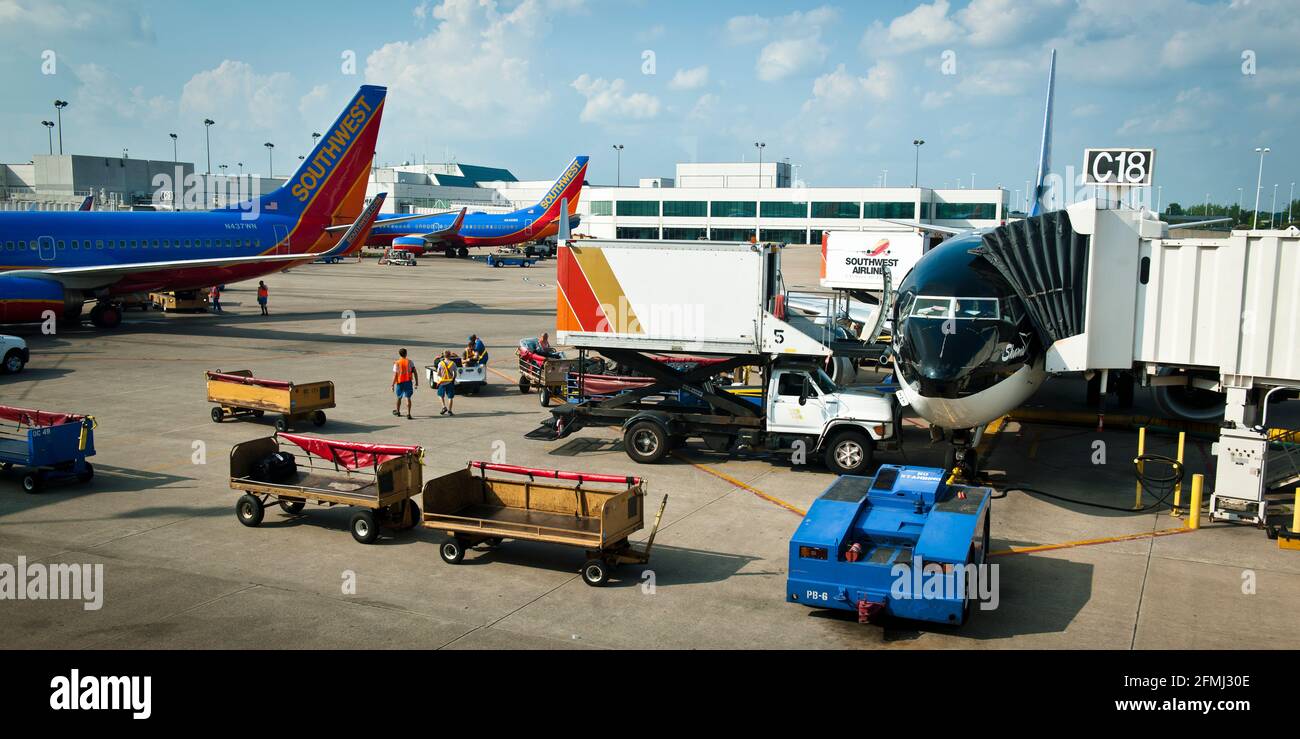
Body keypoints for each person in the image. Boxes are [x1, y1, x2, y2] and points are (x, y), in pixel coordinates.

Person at [392, 348, 417, 419]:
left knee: (399, 397)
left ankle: (398, 411)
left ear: (399, 354)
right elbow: (415, 372)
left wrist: (392, 384)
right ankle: (408, 413)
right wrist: (416, 382)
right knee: (408, 397)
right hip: (408, 382)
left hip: (400, 382)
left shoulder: (397, 363)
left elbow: (395, 375)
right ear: (406, 353)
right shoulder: (410, 362)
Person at [433, 349, 457, 416]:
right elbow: (455, 373)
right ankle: (450, 410)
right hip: (450, 381)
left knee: (440, 395)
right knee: (450, 397)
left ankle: (444, 407)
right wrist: (453, 379)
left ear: (444, 355)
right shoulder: (453, 363)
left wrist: (440, 377)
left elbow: (438, 373)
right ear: (450, 355)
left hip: (442, 381)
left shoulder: (440, 363)